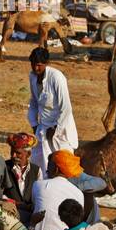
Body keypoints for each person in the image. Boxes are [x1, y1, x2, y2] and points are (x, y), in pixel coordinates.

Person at [26, 47, 77, 183]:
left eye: (39, 65)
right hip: (43, 128)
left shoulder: (57, 77)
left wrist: (56, 130)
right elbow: (34, 103)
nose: (36, 68)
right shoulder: (32, 77)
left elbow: (65, 108)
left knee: (64, 167)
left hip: (61, 129)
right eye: (33, 64)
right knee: (41, 167)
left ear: (46, 63)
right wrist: (34, 125)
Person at [30, 150, 86, 230]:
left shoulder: (39, 185)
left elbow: (34, 207)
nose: (46, 170)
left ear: (56, 168)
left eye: (49, 165)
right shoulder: (79, 194)